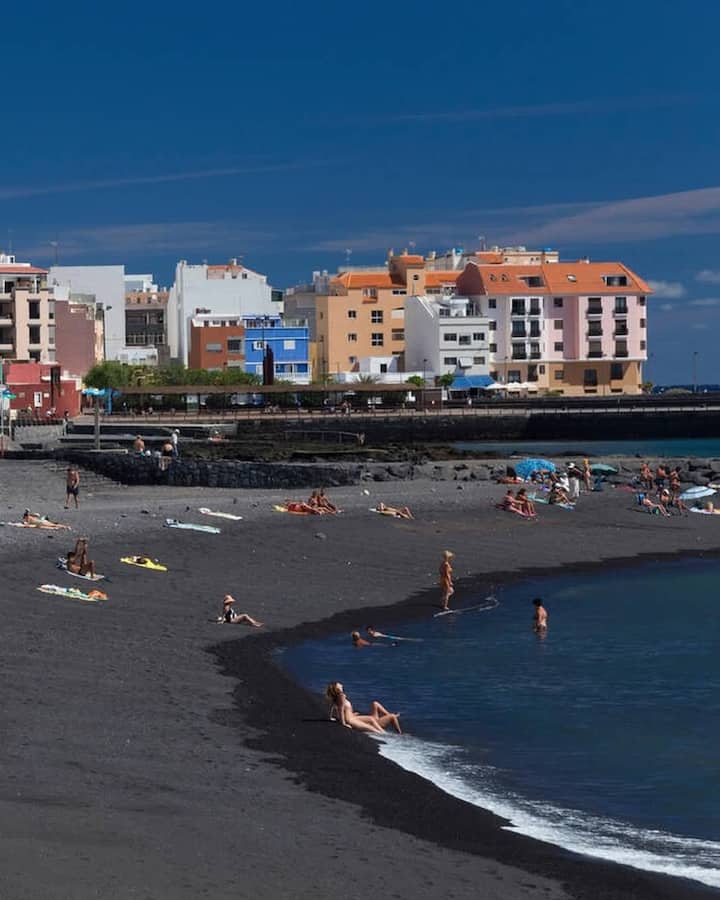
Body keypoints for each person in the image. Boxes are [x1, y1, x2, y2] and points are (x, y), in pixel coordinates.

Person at [325, 682, 402, 734]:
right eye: (339, 685)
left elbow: (334, 707)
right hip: (351, 720)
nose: (341, 685)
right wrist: (343, 724)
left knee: (371, 720)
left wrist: (331, 717)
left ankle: (385, 733)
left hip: (351, 718)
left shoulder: (338, 697)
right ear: (337, 689)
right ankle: (387, 735)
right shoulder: (341, 696)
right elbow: (341, 709)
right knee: (374, 730)